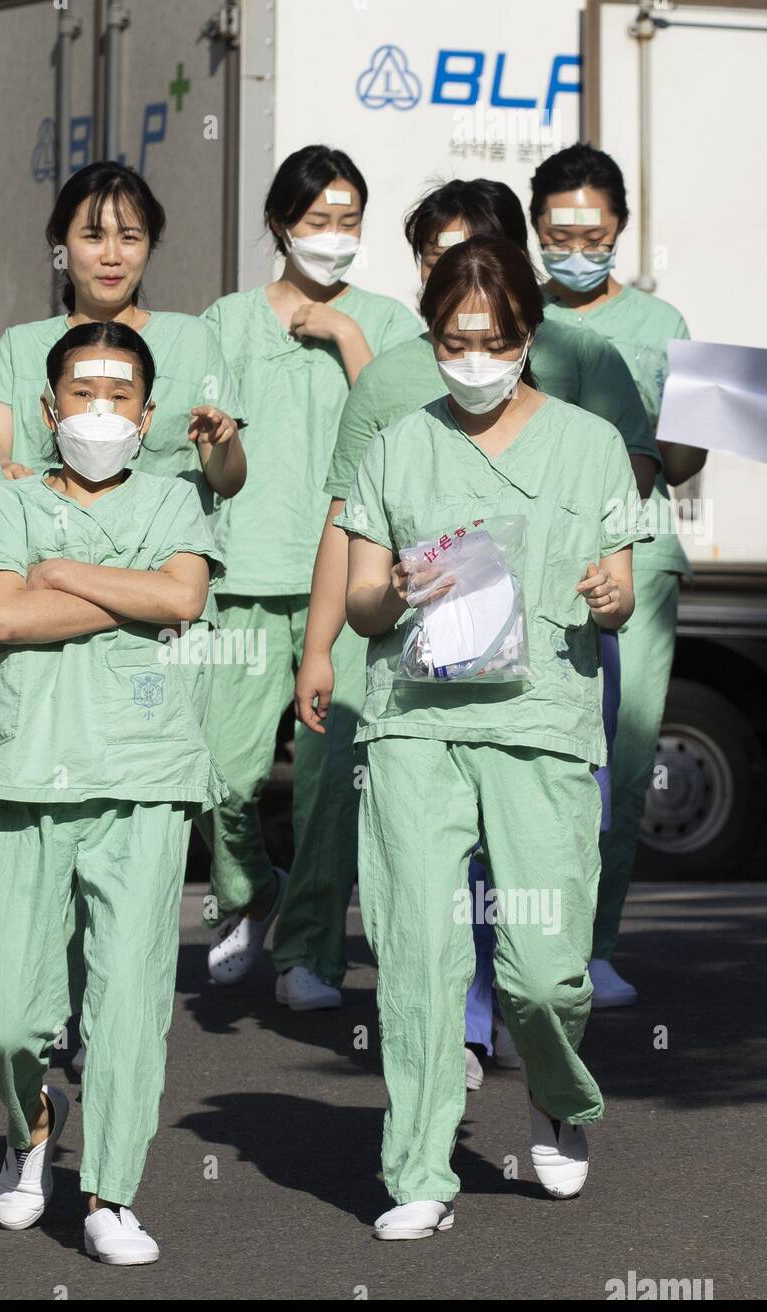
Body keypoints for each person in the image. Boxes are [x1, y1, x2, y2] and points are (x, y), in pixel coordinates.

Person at [290, 178, 661, 1030]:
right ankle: (459, 1019)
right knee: (433, 864)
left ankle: (547, 987)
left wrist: (583, 563)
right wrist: (319, 647)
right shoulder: (390, 386)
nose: (453, 272)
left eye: (469, 253)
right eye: (432, 258)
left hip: (553, 664)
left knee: (540, 855)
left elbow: (624, 487)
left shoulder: (583, 364)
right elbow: (346, 521)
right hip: (431, 671)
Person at [337, 235, 652, 1238]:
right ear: (429, 338)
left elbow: (618, 585)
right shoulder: (395, 447)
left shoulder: (588, 443)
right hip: (415, 728)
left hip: (541, 726)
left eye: (495, 340)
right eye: (451, 341)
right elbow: (358, 602)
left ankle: (555, 1091)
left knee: (542, 969)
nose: (472, 360)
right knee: (420, 951)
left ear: (526, 335)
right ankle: (419, 1169)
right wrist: (391, 586)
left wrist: (610, 590)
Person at [0, 321, 227, 1265]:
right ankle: (31, 1119)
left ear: (147, 416)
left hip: (144, 774)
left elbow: (183, 599)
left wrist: (64, 573)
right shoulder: (3, 502)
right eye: (81, 392)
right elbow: (2, 616)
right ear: (45, 408)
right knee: (1, 1018)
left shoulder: (178, 500)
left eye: (119, 396)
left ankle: (110, 1194)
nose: (99, 412)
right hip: (20, 772)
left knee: (126, 1000)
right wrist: (128, 590)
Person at [195, 146, 421, 1008]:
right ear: (280, 223)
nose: (333, 238)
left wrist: (349, 337)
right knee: (222, 774)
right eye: (317, 221)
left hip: (354, 578)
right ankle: (251, 892)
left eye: (348, 221)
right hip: (247, 574)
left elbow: (405, 433)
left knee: (332, 787)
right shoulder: (227, 320)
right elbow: (218, 458)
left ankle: (309, 957)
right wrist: (218, 440)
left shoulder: (387, 322)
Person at [532, 143, 707, 1007]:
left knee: (624, 760)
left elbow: (682, 460)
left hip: (636, 551)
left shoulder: (662, 323)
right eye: (557, 230)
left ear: (619, 231)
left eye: (591, 231)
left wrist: (707, 403)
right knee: (528, 754)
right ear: (533, 230)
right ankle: (519, 946)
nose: (573, 245)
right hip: (528, 559)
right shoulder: (508, 317)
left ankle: (594, 944)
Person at [0, 160, 246, 509]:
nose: (112, 256)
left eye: (129, 237)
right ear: (62, 243)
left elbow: (227, 481)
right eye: (93, 236)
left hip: (161, 561)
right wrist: (1, 467)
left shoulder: (193, 340)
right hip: (46, 554)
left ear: (149, 245)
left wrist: (224, 442)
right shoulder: (18, 347)